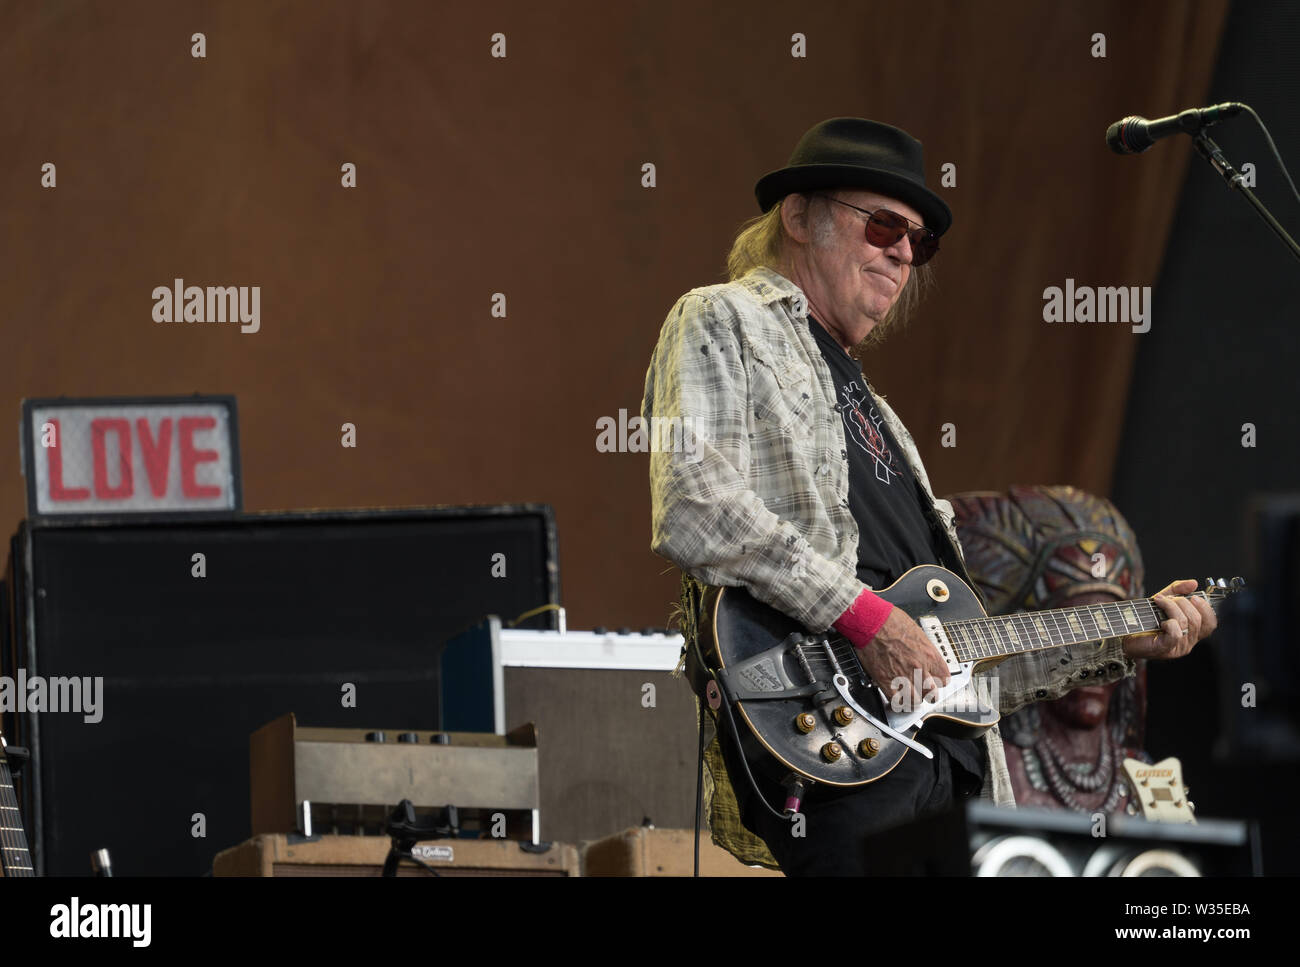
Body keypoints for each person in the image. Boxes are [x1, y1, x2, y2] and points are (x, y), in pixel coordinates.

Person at [641, 117, 1216, 875]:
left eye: (921, 241)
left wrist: (1122, 640)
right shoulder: (725, 319)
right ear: (799, 214)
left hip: (952, 775)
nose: (905, 252)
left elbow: (958, 660)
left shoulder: (884, 417)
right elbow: (695, 503)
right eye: (884, 224)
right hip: (837, 747)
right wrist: (867, 617)